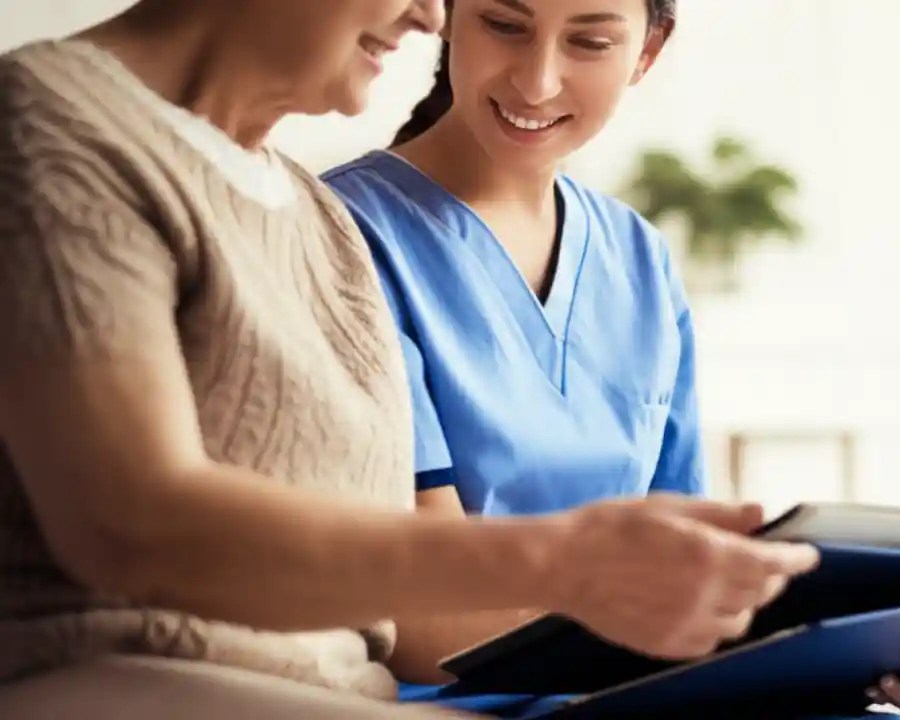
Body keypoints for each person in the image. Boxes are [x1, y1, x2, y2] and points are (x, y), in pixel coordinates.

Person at [0, 1, 823, 718]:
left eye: (589, 40)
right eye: (499, 21)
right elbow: (134, 527)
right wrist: (571, 566)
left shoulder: (311, 217)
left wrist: (809, 645)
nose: (430, 14)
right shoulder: (62, 132)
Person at [323, 0, 900, 716]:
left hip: (645, 686)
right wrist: (715, 633)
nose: (537, 81)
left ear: (646, 53)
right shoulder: (347, 234)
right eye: (505, 26)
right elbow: (424, 623)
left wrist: (850, 645)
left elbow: (690, 559)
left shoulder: (638, 257)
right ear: (449, 16)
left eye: (589, 41)